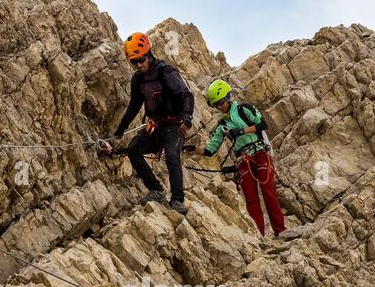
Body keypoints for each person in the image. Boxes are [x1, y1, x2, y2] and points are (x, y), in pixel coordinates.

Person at [111, 32, 194, 214]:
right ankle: (156, 190)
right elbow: (134, 106)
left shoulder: (166, 72)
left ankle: (177, 201)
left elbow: (186, 95)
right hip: (156, 125)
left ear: (149, 53)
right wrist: (121, 129)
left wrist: (187, 117)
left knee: (172, 155)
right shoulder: (138, 80)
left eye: (141, 59)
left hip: (175, 124)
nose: (139, 65)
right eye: (134, 62)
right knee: (134, 149)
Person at [198, 79, 285, 236]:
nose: (219, 106)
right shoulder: (221, 125)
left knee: (268, 190)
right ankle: (260, 236)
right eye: (216, 104)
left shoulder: (244, 109)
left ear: (228, 97)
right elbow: (211, 150)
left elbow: (262, 124)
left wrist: (241, 131)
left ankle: (280, 230)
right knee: (251, 199)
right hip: (243, 160)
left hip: (260, 152)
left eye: (221, 102)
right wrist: (193, 149)